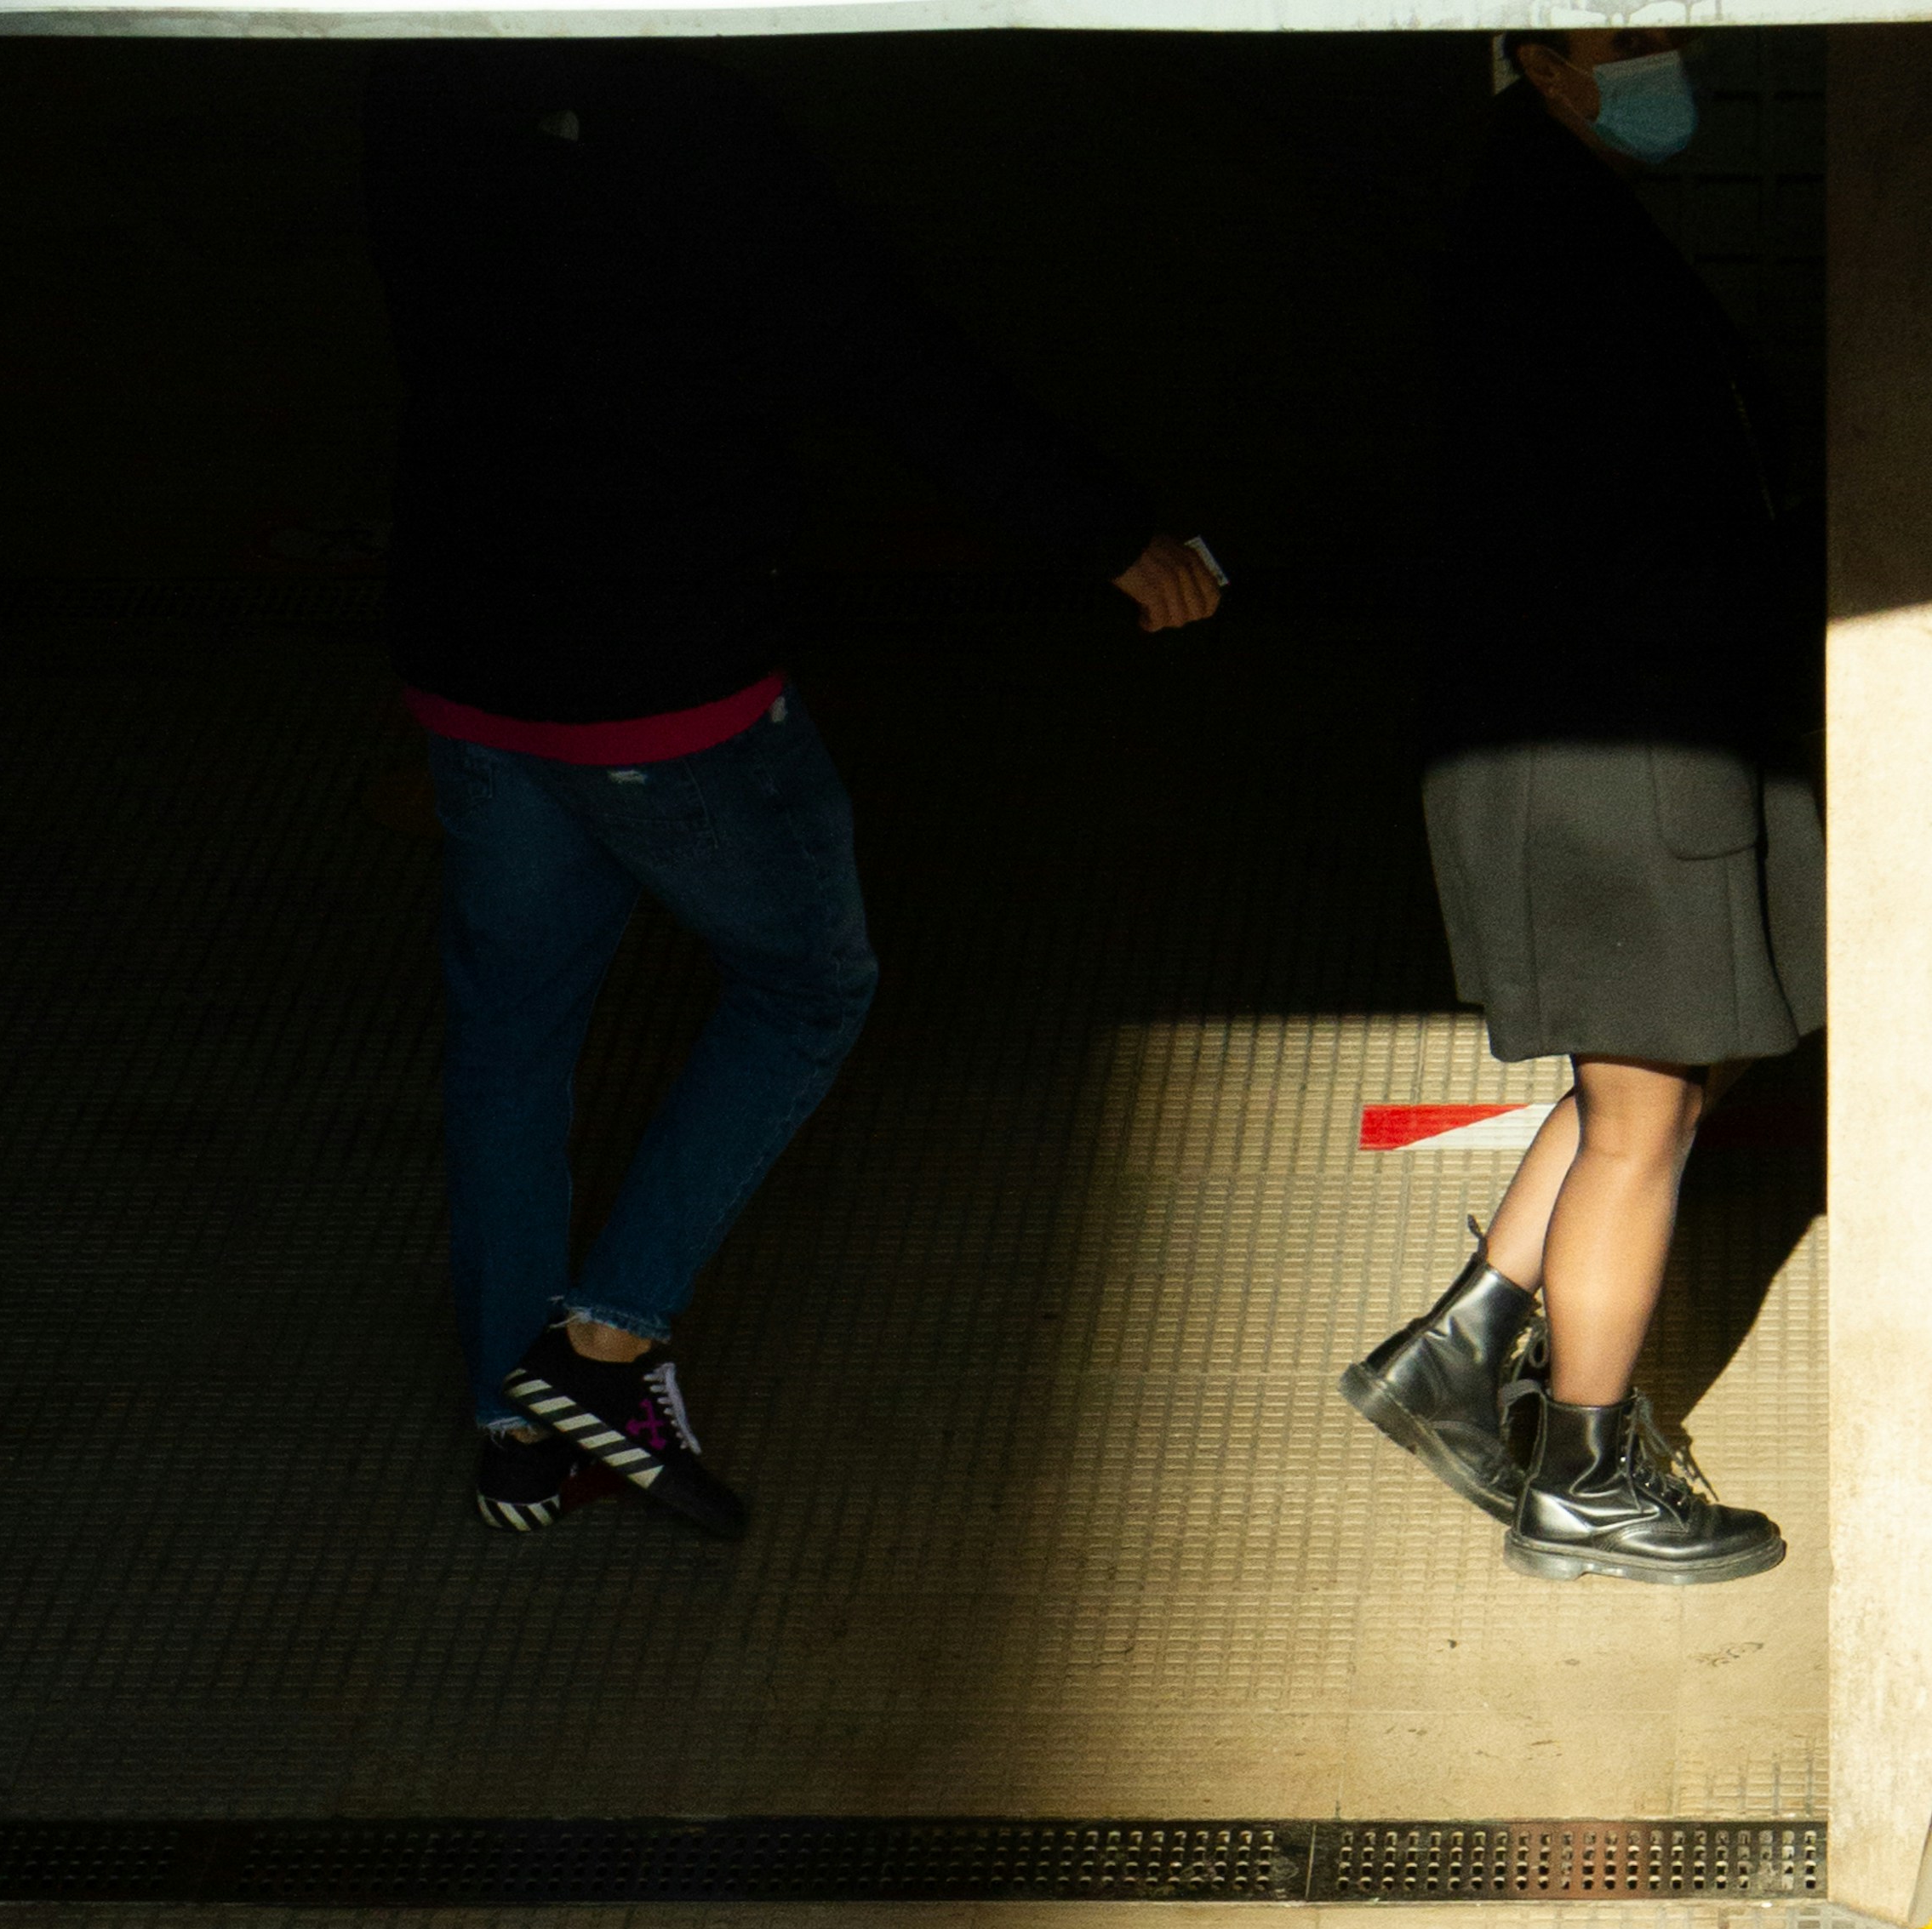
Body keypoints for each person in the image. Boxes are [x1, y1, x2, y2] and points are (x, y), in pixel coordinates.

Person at [364, 46, 1222, 1541]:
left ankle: (515, 1431)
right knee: (805, 986)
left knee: (510, 1037)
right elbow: (883, 349)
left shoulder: (415, 87)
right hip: (665, 675)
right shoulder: (698, 128)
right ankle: (599, 1348)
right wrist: (1108, 531)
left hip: (469, 659)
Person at [1340, 27, 1821, 1586]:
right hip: (1614, 741)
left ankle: (1461, 1350)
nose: (1665, 57)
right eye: (1627, 35)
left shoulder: (1531, 203)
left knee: (1674, 1061)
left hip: (1580, 726)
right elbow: (1644, 498)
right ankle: (1588, 1481)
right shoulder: (1550, 235)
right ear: (1542, 60)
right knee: (1644, 1114)